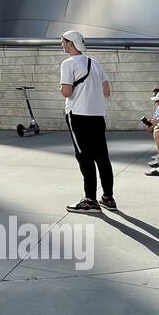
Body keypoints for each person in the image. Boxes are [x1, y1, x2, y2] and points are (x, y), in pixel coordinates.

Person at [59, 31, 116, 214]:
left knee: (84, 157)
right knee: (102, 157)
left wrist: (71, 88)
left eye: (63, 42)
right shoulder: (96, 63)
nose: (62, 45)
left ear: (70, 44)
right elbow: (107, 91)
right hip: (97, 115)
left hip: (78, 115)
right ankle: (108, 197)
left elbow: (66, 92)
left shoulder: (68, 63)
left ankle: (90, 200)